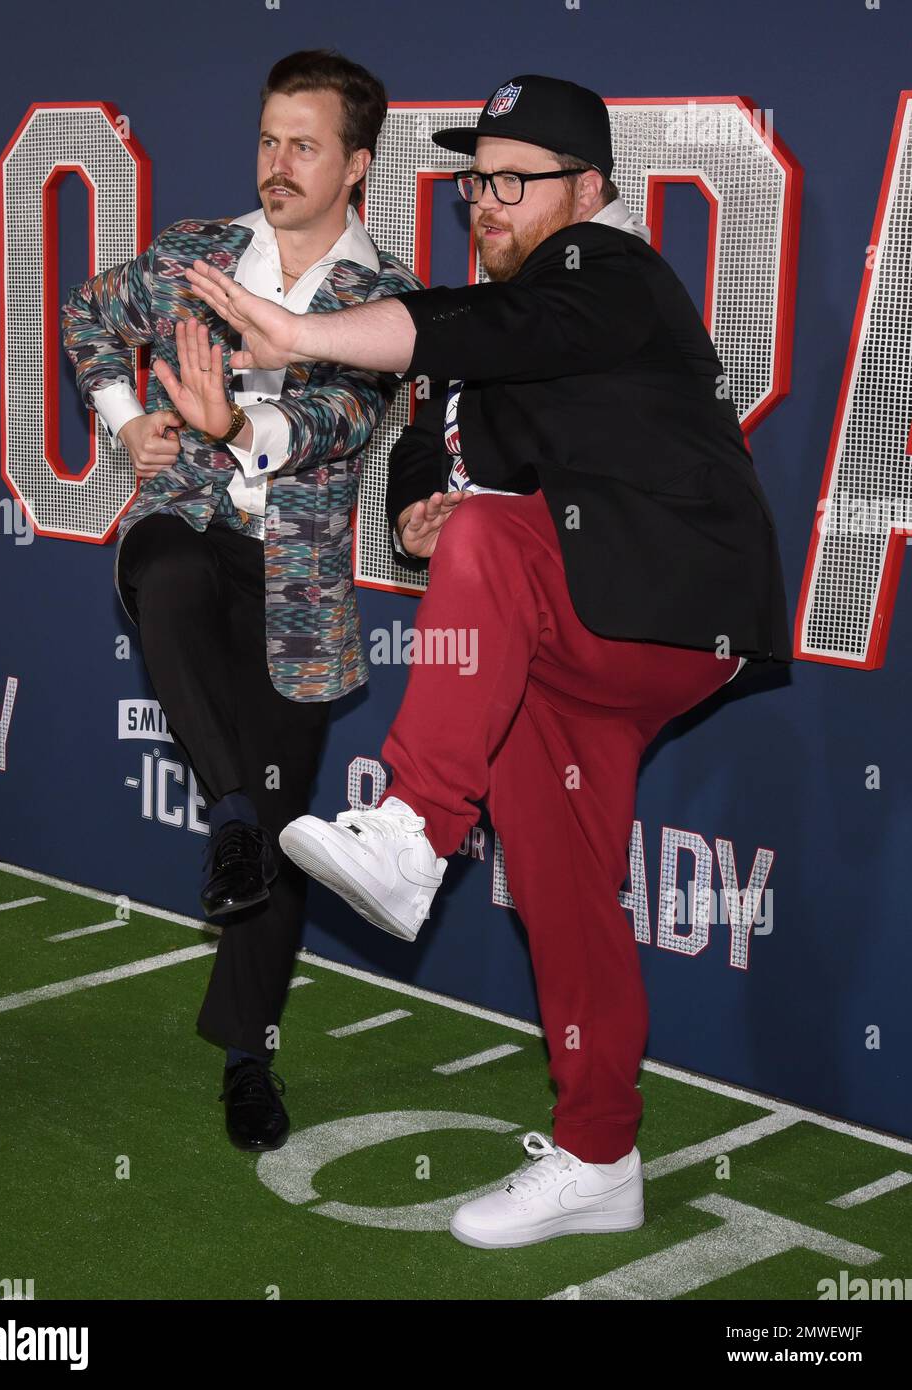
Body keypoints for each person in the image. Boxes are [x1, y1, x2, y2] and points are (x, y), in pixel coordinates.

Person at [185, 73, 792, 1247]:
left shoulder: (608, 270)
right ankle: (600, 1155)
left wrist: (301, 334)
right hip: (572, 641)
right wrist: (418, 508)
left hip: (674, 598)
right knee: (564, 888)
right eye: (477, 181)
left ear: (589, 189)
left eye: (516, 180)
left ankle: (414, 825)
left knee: (489, 539)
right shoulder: (492, 324)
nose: (488, 201)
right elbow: (429, 433)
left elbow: (478, 331)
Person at [61, 49, 420, 1153]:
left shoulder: (388, 301)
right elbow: (87, 314)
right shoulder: (196, 253)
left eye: (305, 145)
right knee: (166, 570)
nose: (278, 162)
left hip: (293, 584)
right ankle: (225, 811)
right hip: (184, 526)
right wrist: (128, 419)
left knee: (278, 834)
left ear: (356, 165)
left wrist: (239, 425)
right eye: (269, 138)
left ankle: (247, 1057)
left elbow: (341, 422)